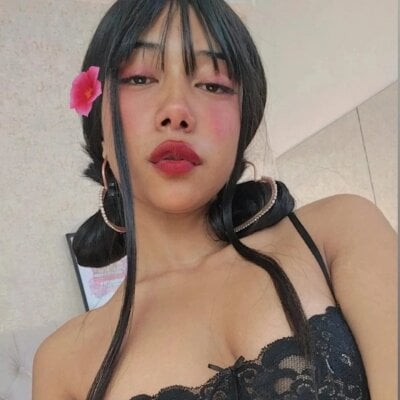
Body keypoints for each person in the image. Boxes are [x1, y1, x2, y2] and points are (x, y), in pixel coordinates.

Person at [32, 1, 396, 399]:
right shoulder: (61, 363)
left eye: (213, 85)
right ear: (99, 129)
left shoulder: (340, 232)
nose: (176, 110)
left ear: (243, 125)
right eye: (139, 77)